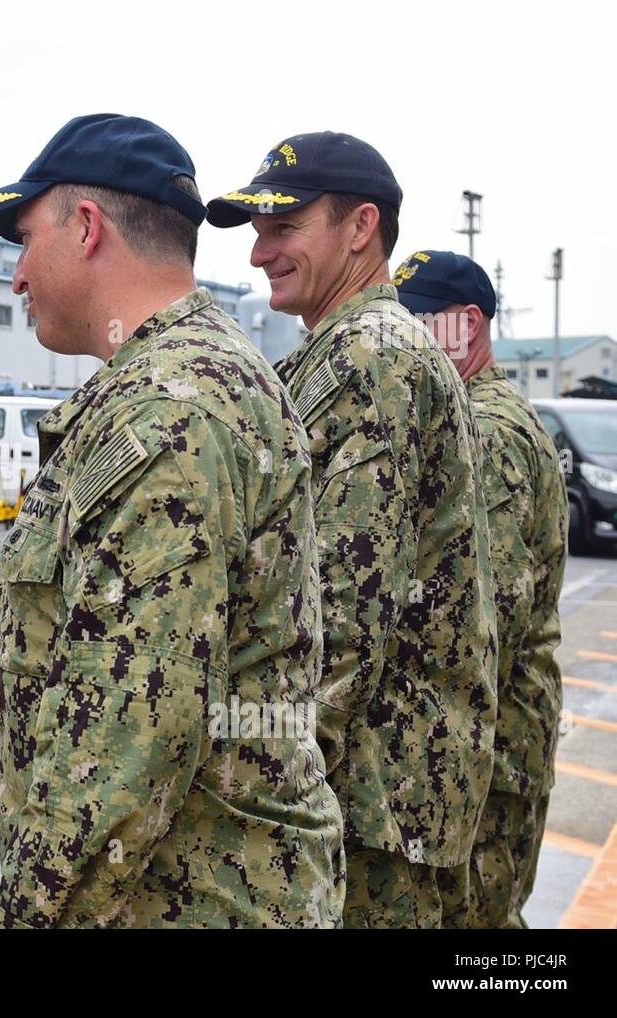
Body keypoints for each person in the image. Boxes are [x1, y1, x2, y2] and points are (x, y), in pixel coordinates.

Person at [0, 114, 345, 928]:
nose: (16, 276)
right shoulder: (159, 388)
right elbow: (38, 615)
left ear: (85, 229)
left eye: (24, 239)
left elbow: (128, 743)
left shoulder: (171, 413)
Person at [207, 133, 497, 928]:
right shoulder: (351, 350)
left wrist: (247, 787)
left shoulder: (370, 358)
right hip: (382, 789)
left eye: (284, 228)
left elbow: (337, 614)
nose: (261, 253)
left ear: (361, 226)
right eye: (257, 232)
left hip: (374, 801)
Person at [395, 250, 567, 927]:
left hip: (491, 756)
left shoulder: (486, 433)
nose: (403, 345)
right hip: (487, 745)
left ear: (468, 324)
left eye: (417, 326)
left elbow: (479, 620)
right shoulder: (469, 413)